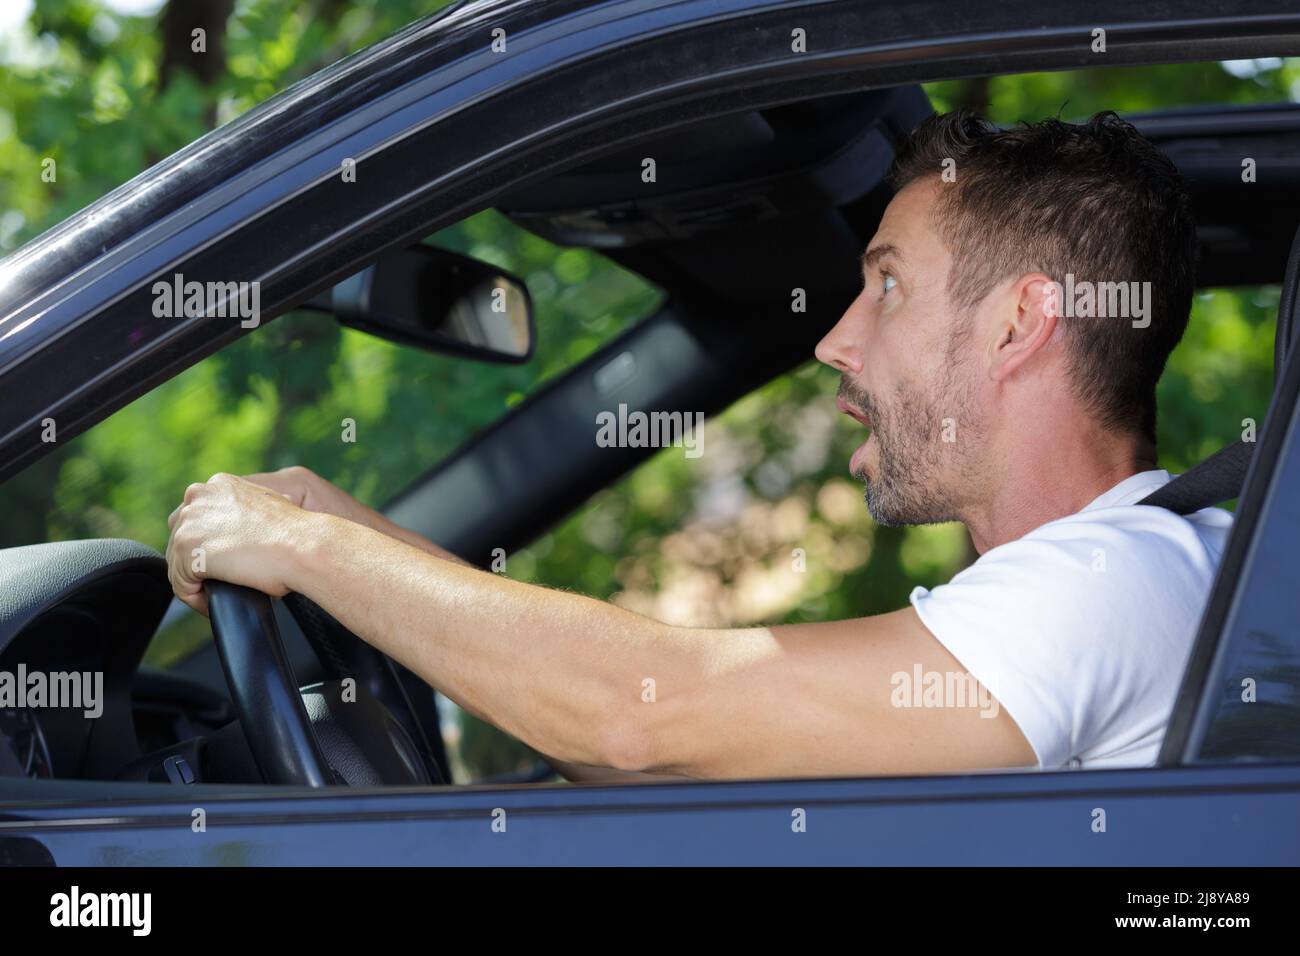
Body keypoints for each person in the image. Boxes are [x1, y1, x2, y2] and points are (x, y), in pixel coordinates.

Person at [165, 110, 1231, 780]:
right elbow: (653, 754)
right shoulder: (1108, 582)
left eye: (887, 283)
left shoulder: (1112, 582)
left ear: (1016, 323)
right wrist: (343, 529)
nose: (834, 340)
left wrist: (311, 554)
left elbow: (642, 716)